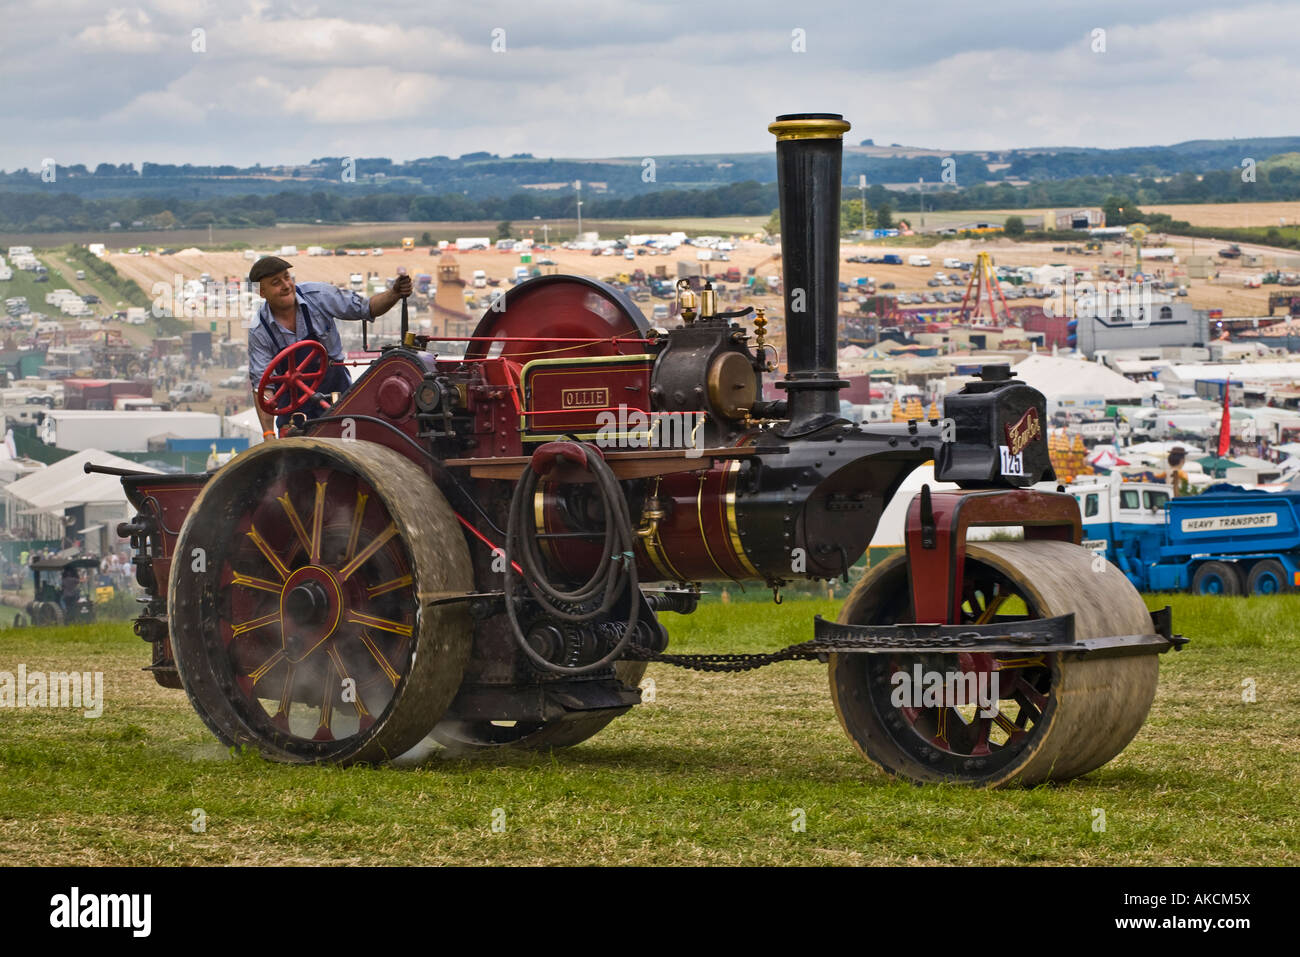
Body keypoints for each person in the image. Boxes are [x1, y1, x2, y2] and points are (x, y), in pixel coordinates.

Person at [247, 257, 411, 438]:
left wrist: (394, 293)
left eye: (287, 277)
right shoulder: (259, 330)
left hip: (336, 395)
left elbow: (367, 308)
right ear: (262, 292)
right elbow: (263, 388)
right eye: (276, 283)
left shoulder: (318, 296)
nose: (286, 285)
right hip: (293, 407)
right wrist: (269, 434)